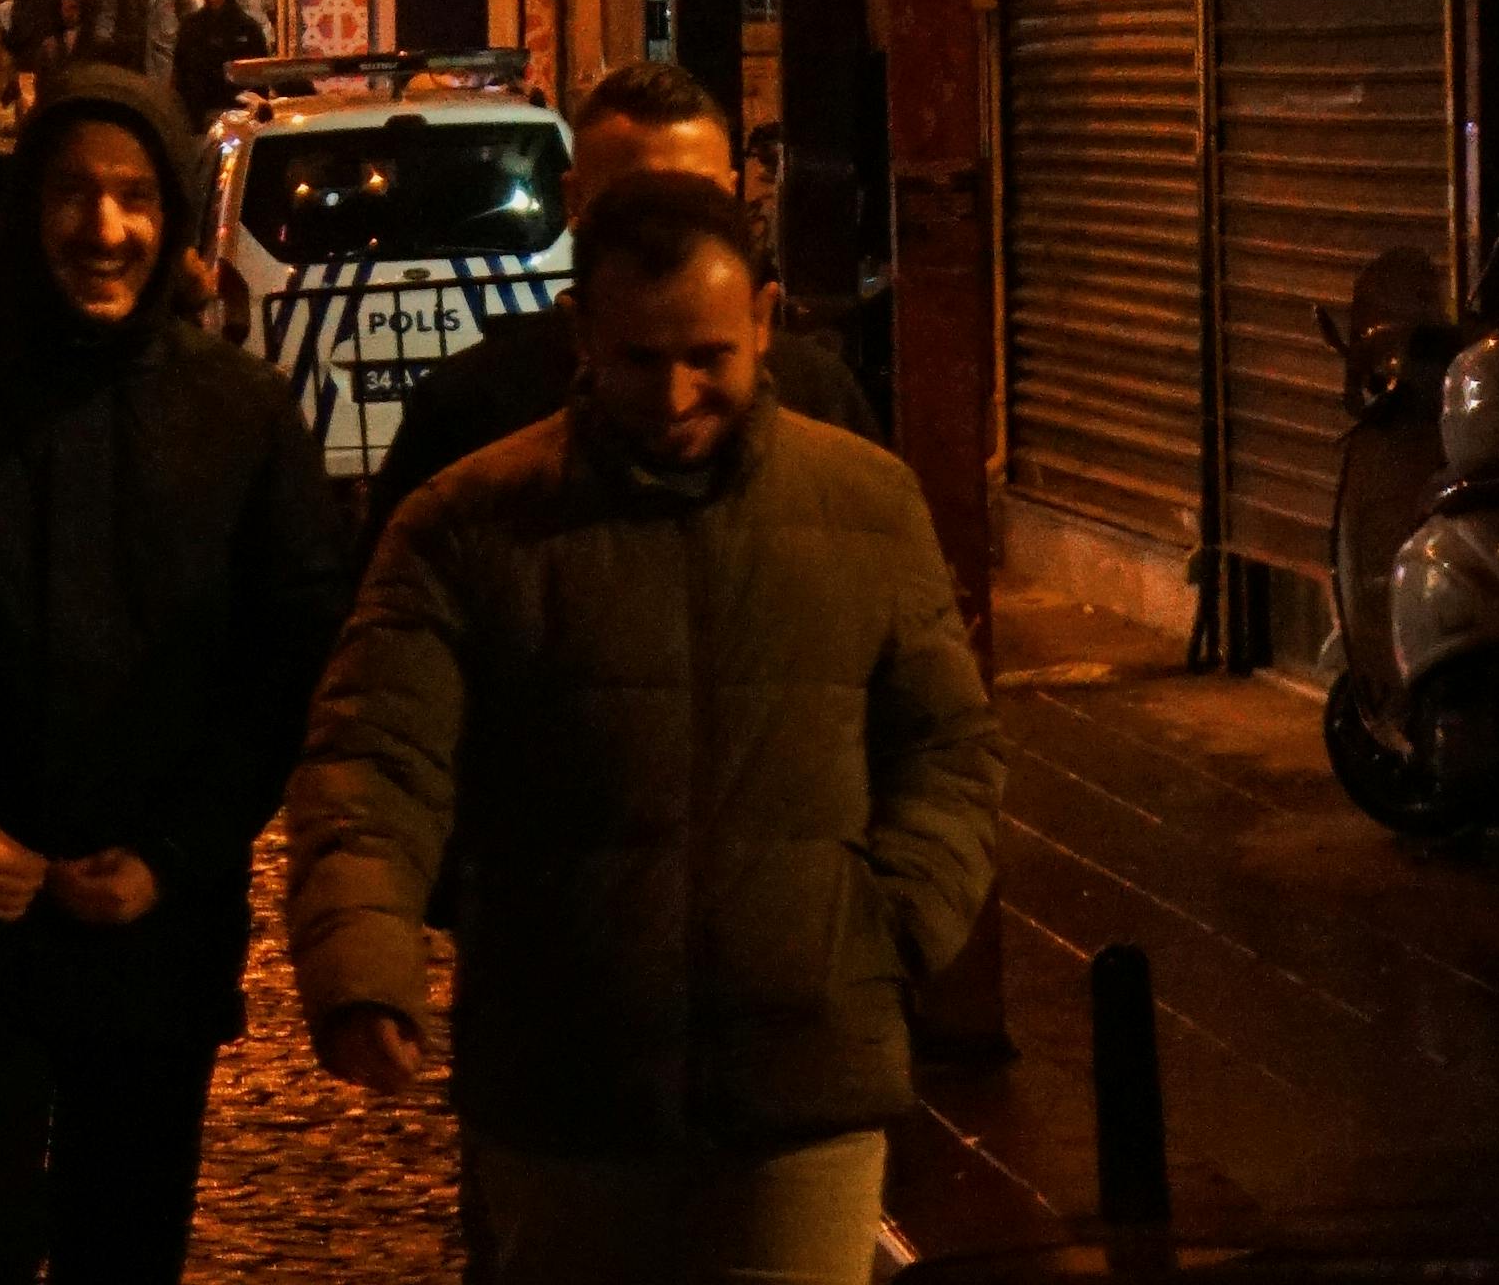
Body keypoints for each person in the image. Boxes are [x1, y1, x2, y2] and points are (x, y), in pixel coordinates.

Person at [287, 167, 1000, 1285]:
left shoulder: (866, 504)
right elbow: (376, 760)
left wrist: (887, 927)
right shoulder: (467, 524)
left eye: (706, 357)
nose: (673, 398)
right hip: (564, 1087)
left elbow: (947, 748)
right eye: (639, 360)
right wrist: (363, 964)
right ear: (581, 334)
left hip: (800, 1086)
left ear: (762, 321)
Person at [0, 67, 348, 1285]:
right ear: (28, 207)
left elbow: (289, 660)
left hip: (155, 940)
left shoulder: (239, 413)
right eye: (75, 193)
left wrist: (174, 853)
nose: (104, 227)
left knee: (125, 1246)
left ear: (172, 217)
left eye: (135, 196)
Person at [361, 59, 874, 541]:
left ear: (732, 194)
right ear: (574, 201)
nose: (665, 234)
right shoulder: (466, 413)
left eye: (695, 200)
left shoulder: (821, 396)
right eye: (632, 202)